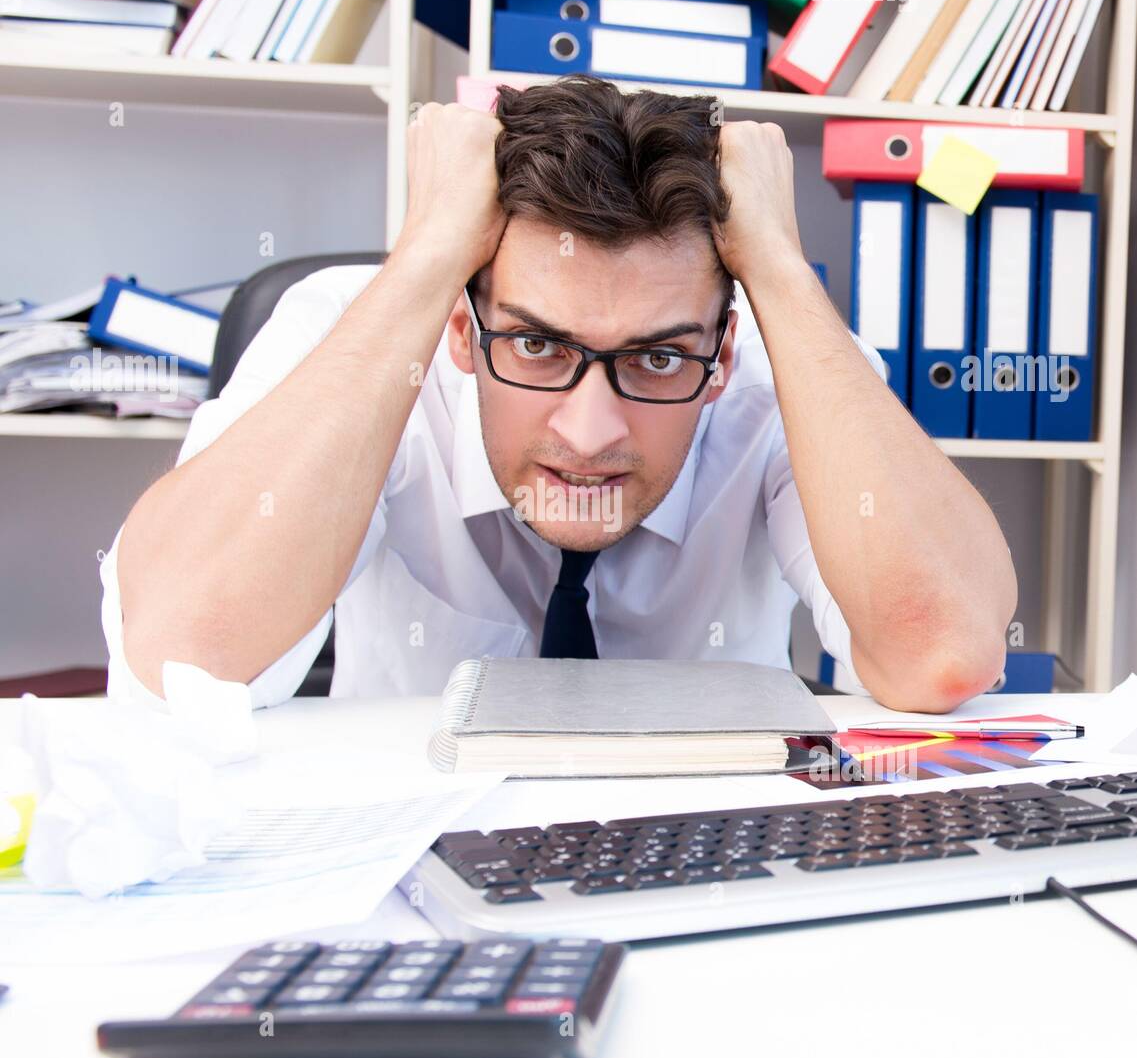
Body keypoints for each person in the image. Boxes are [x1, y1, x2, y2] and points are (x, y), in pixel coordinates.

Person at [104, 75, 1016, 710]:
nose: (588, 433)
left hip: (708, 856)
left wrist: (777, 266)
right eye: (538, 344)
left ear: (724, 346)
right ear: (461, 329)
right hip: (397, 858)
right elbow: (181, 658)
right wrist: (427, 259)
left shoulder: (791, 366)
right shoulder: (360, 330)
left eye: (657, 359)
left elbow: (941, 656)